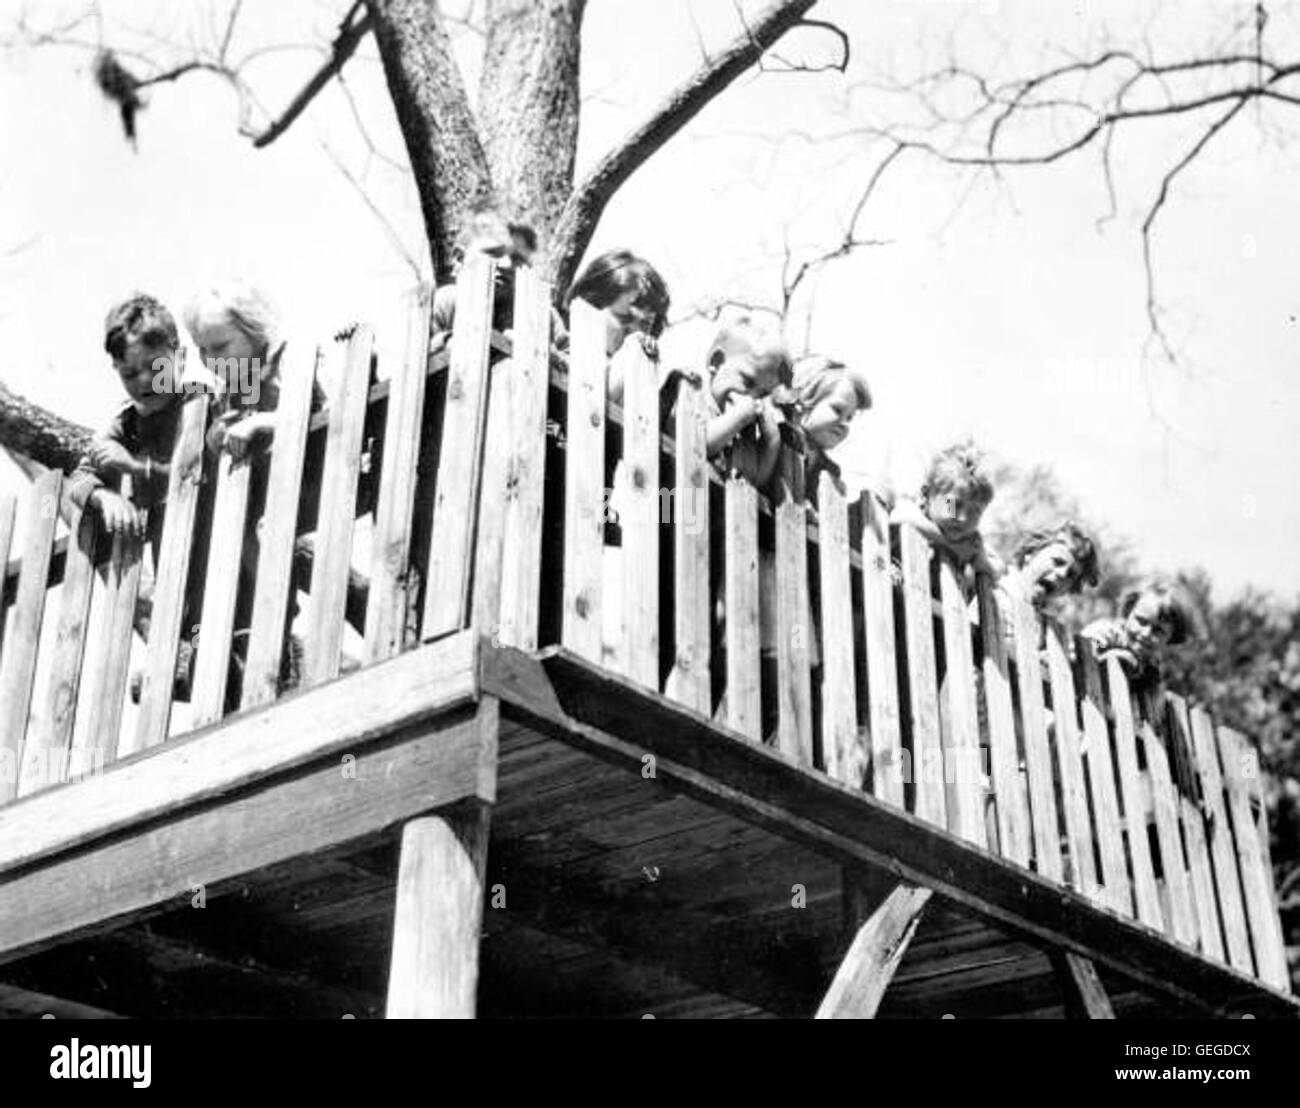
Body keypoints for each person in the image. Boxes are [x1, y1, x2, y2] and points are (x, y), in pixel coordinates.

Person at [67, 292, 220, 699]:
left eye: (153, 367)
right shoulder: (126, 420)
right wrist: (106, 498)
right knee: (170, 597)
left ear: (177, 353)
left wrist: (133, 469)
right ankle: (178, 650)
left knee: (212, 600)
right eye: (127, 372)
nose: (142, 382)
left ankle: (210, 648)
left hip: (216, 527)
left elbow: (191, 474)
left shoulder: (198, 397)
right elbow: (78, 481)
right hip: (165, 538)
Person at [184, 281, 328, 705]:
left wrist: (265, 423)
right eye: (202, 350)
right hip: (266, 505)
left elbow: (331, 410)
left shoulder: (291, 359)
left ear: (254, 330)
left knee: (263, 534)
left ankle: (273, 636)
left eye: (220, 346)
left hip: (316, 480)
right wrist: (218, 434)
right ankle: (253, 636)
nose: (211, 359)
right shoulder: (239, 380)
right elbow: (225, 426)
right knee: (238, 538)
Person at [891, 441, 1002, 580]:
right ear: (926, 494)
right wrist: (953, 546)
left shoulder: (971, 540)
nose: (962, 518)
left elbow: (997, 567)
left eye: (975, 511)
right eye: (954, 504)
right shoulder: (917, 512)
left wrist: (981, 559)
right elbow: (900, 515)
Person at [1082, 579, 1196, 686]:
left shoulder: (1152, 661)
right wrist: (1106, 653)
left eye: (1158, 630)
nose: (1146, 633)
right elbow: (1088, 643)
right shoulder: (1110, 633)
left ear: (1171, 638)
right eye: (1141, 621)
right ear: (1128, 612)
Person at [791, 355, 872, 493]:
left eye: (849, 418)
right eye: (837, 410)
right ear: (805, 401)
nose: (844, 423)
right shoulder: (784, 442)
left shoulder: (830, 472)